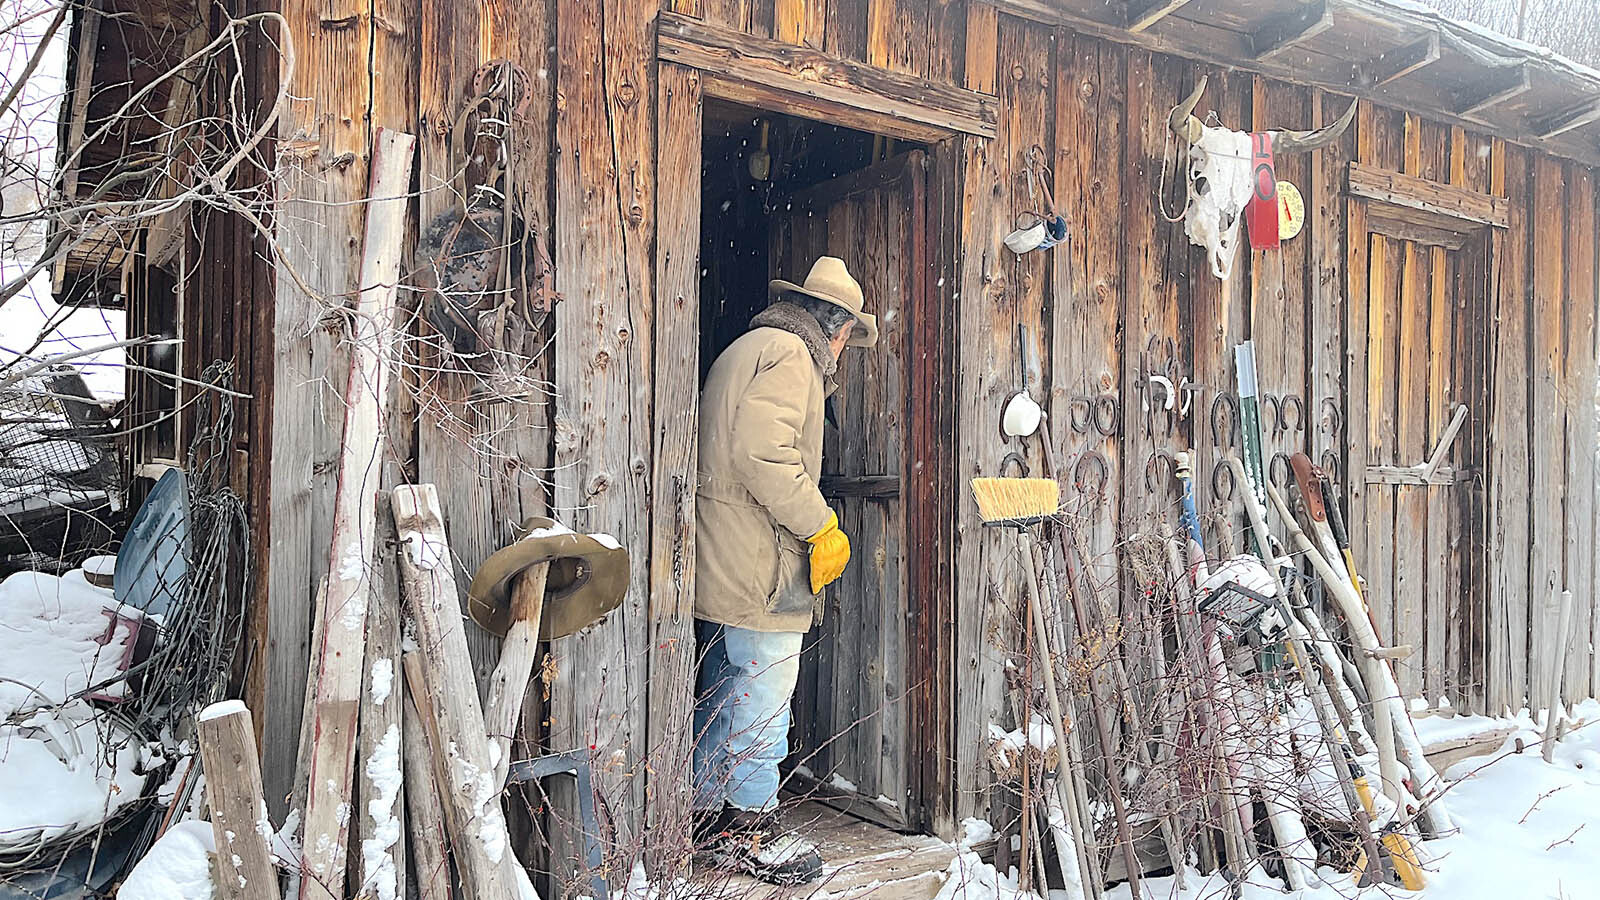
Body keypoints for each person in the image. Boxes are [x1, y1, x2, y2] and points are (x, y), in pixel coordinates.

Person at [691, 256, 878, 884]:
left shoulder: (748, 347)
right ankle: (750, 826)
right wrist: (819, 523)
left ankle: (703, 818)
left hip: (724, 561)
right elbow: (762, 454)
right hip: (759, 566)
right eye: (850, 335)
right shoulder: (795, 357)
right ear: (839, 329)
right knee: (765, 693)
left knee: (724, 691)